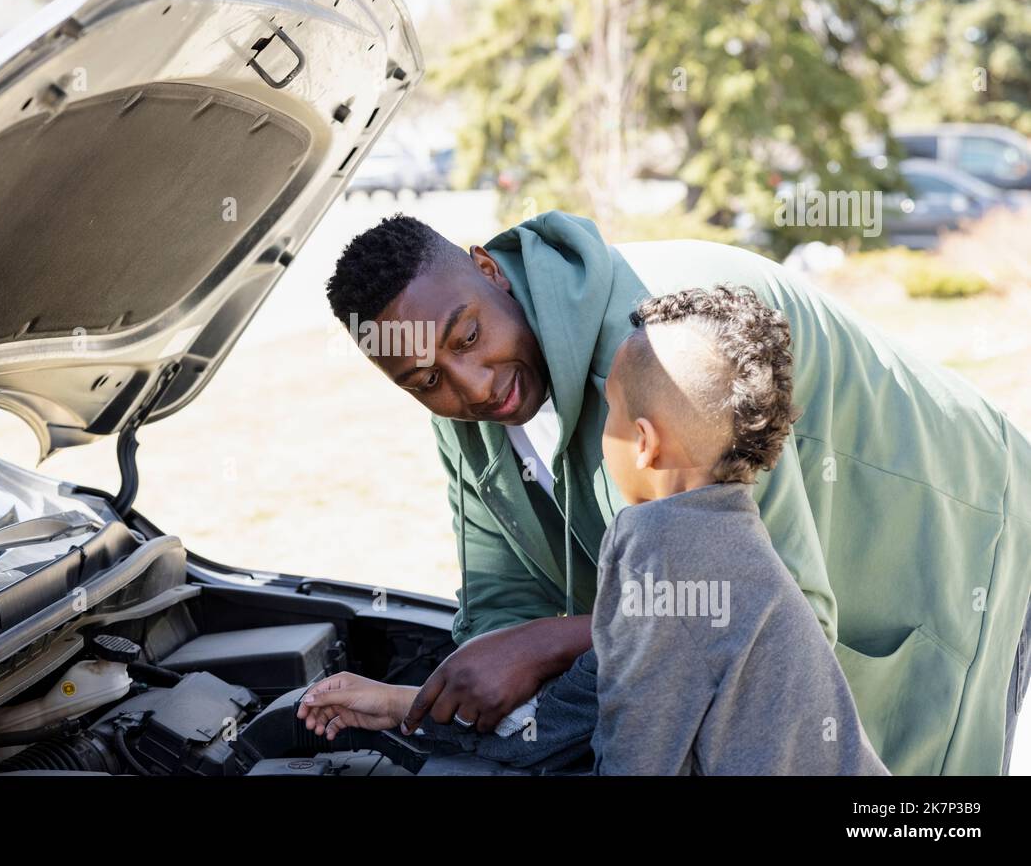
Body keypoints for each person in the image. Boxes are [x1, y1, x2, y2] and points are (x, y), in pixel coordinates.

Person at [323, 209, 1031, 775]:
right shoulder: (474, 404)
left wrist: (551, 642)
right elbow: (506, 609)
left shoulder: (659, 356)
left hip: (946, 528)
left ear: (487, 269)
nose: (471, 384)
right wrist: (444, 701)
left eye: (469, 334)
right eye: (424, 381)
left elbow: (767, 609)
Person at [298, 286, 889, 775]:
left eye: (608, 411)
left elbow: (633, 755)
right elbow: (576, 709)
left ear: (646, 442)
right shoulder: (731, 537)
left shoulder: (653, 546)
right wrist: (398, 706)